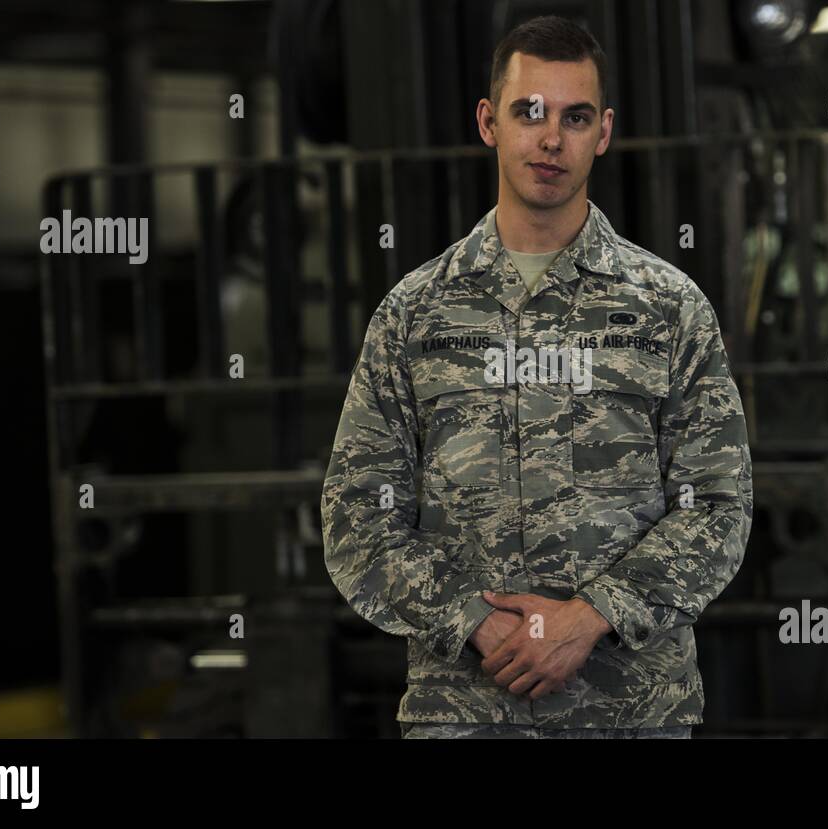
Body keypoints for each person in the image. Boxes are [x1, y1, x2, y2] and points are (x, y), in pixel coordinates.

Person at [321, 15, 753, 739]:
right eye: (530, 112)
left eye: (575, 117)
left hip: (629, 714)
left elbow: (718, 504)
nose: (551, 138)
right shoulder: (415, 314)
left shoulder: (668, 309)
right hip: (466, 713)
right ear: (489, 122)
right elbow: (357, 512)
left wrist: (592, 616)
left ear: (603, 132)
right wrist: (475, 622)